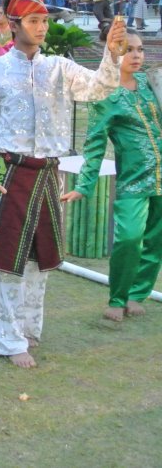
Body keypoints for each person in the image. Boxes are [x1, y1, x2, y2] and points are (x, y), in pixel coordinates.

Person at [0, 0, 125, 369]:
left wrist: (112, 56)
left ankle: (28, 330)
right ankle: (4, 339)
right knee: (6, 261)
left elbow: (98, 89)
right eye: (34, 20)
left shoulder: (59, 68)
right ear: (13, 24)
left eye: (44, 20)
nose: (42, 26)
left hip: (49, 175)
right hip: (11, 175)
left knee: (39, 259)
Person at [63, 31, 162, 321]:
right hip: (134, 180)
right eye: (128, 50)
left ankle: (137, 294)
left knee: (156, 241)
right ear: (114, 56)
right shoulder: (105, 95)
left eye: (140, 50)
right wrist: (84, 184)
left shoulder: (151, 84)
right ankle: (117, 298)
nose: (136, 55)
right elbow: (94, 145)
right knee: (130, 238)